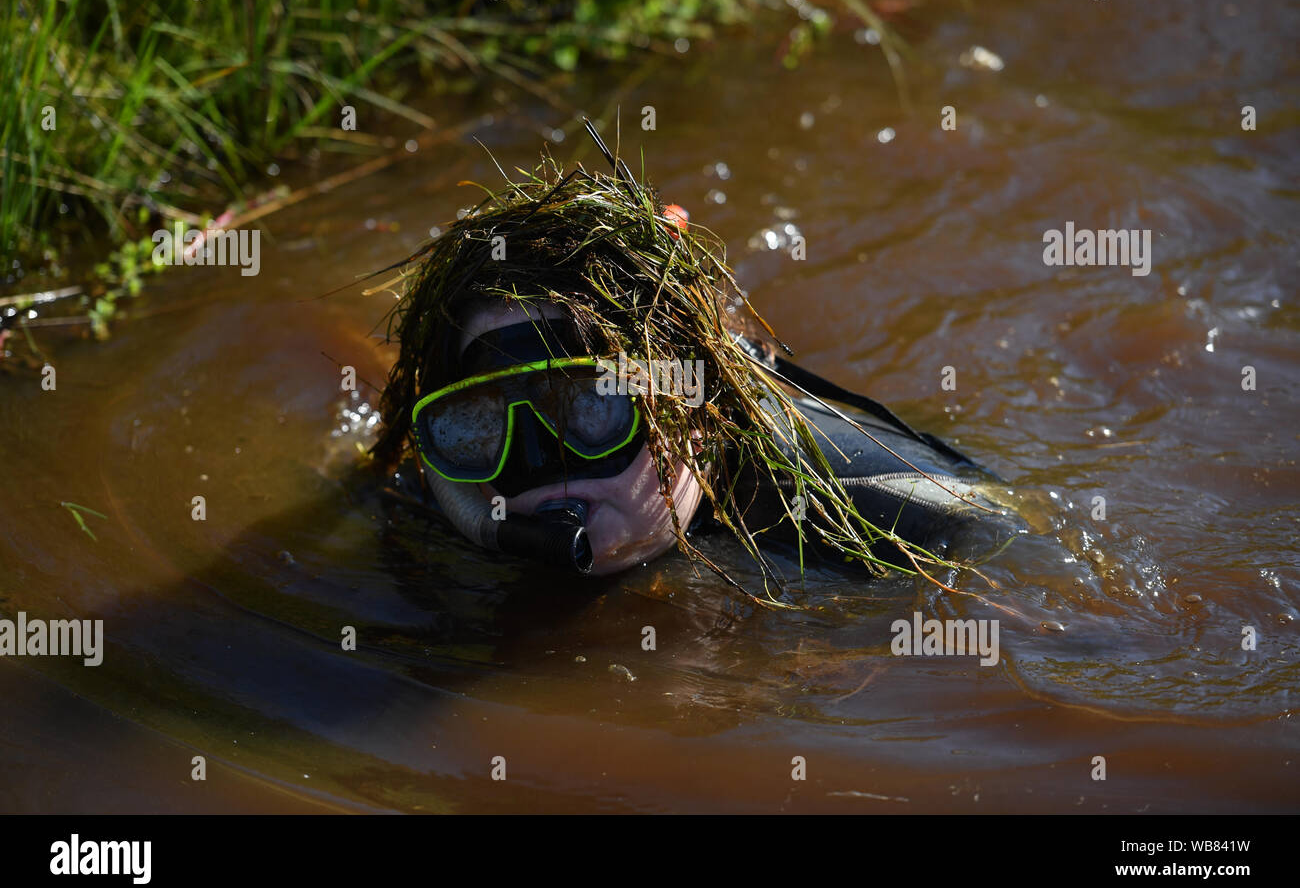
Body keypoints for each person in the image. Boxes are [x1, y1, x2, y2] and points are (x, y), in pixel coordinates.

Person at [369, 132, 1011, 594]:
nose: (537, 464)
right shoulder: (453, 492)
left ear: (698, 410)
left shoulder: (906, 518)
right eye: (478, 424)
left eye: (593, 403)